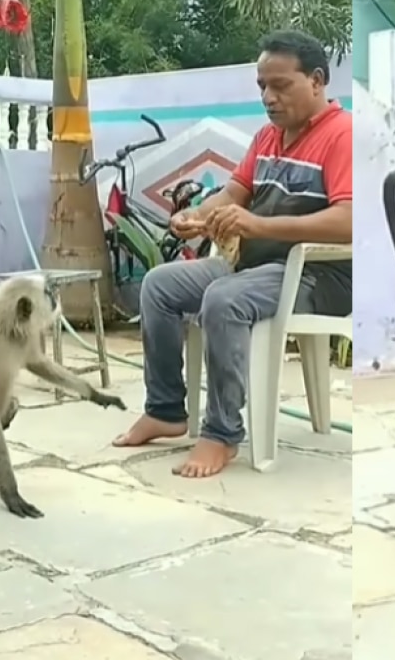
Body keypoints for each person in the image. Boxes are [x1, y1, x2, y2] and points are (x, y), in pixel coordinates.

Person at [112, 29, 352, 478]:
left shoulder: (342, 135)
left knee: (223, 298)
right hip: (255, 267)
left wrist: (258, 225)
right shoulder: (267, 137)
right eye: (262, 86)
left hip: (317, 277)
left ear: (317, 81)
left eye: (280, 85)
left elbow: (349, 219)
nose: (269, 97)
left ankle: (222, 435)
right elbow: (234, 193)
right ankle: (165, 409)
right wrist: (197, 217)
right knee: (159, 285)